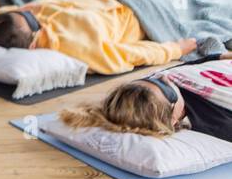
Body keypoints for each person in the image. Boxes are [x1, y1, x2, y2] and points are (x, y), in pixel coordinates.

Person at [0, 0, 198, 75]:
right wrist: (175, 49)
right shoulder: (76, 46)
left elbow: (2, 15)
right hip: (133, 8)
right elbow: (130, 53)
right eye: (30, 20)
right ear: (33, 45)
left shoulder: (21, 19)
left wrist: (25, 12)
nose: (31, 13)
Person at [61, 55, 232, 142]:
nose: (165, 79)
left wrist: (220, 56)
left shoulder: (158, 85)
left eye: (152, 79)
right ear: (172, 119)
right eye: (166, 88)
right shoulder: (217, 120)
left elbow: (196, 63)